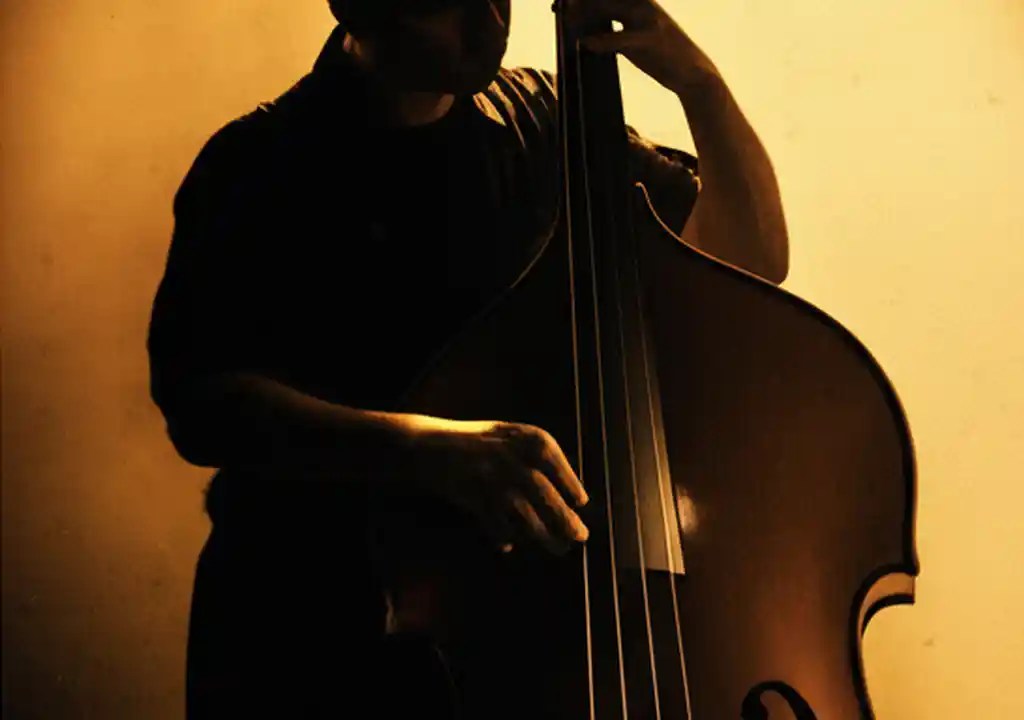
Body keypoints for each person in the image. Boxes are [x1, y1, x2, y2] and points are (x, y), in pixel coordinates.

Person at [147, 0, 789, 715]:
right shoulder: (256, 163)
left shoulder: (545, 119)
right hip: (313, 633)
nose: (489, 23)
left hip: (519, 630)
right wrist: (424, 450)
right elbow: (201, 402)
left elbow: (747, 263)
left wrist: (699, 83)